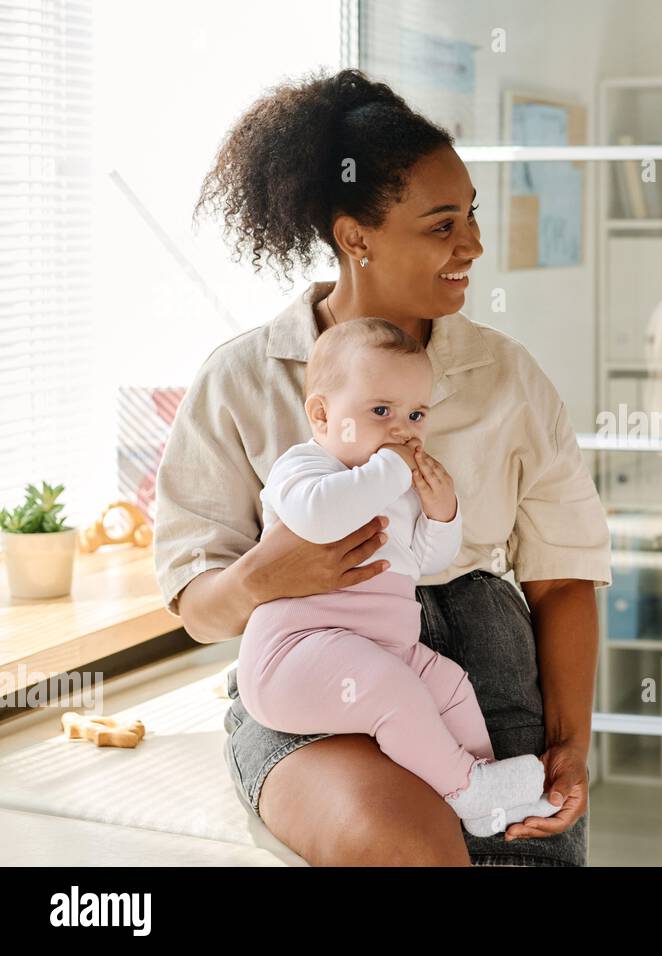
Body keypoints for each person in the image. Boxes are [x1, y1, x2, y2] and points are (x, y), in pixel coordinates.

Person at [154, 68, 610, 866]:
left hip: (484, 676)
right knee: (410, 848)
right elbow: (199, 607)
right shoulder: (245, 378)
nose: (472, 245)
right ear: (354, 236)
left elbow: (563, 576)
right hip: (313, 682)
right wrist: (272, 573)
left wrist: (572, 742)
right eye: (442, 226)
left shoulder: (509, 377)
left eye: (472, 216)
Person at [236, 317, 561, 837]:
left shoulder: (399, 490)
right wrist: (389, 471)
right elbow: (319, 516)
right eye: (380, 411)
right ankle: (464, 784)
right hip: (293, 654)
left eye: (415, 413)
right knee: (390, 687)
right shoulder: (306, 468)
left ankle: (480, 793)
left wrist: (440, 511)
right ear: (322, 415)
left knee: (449, 684)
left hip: (382, 647)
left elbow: (427, 561)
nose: (402, 430)